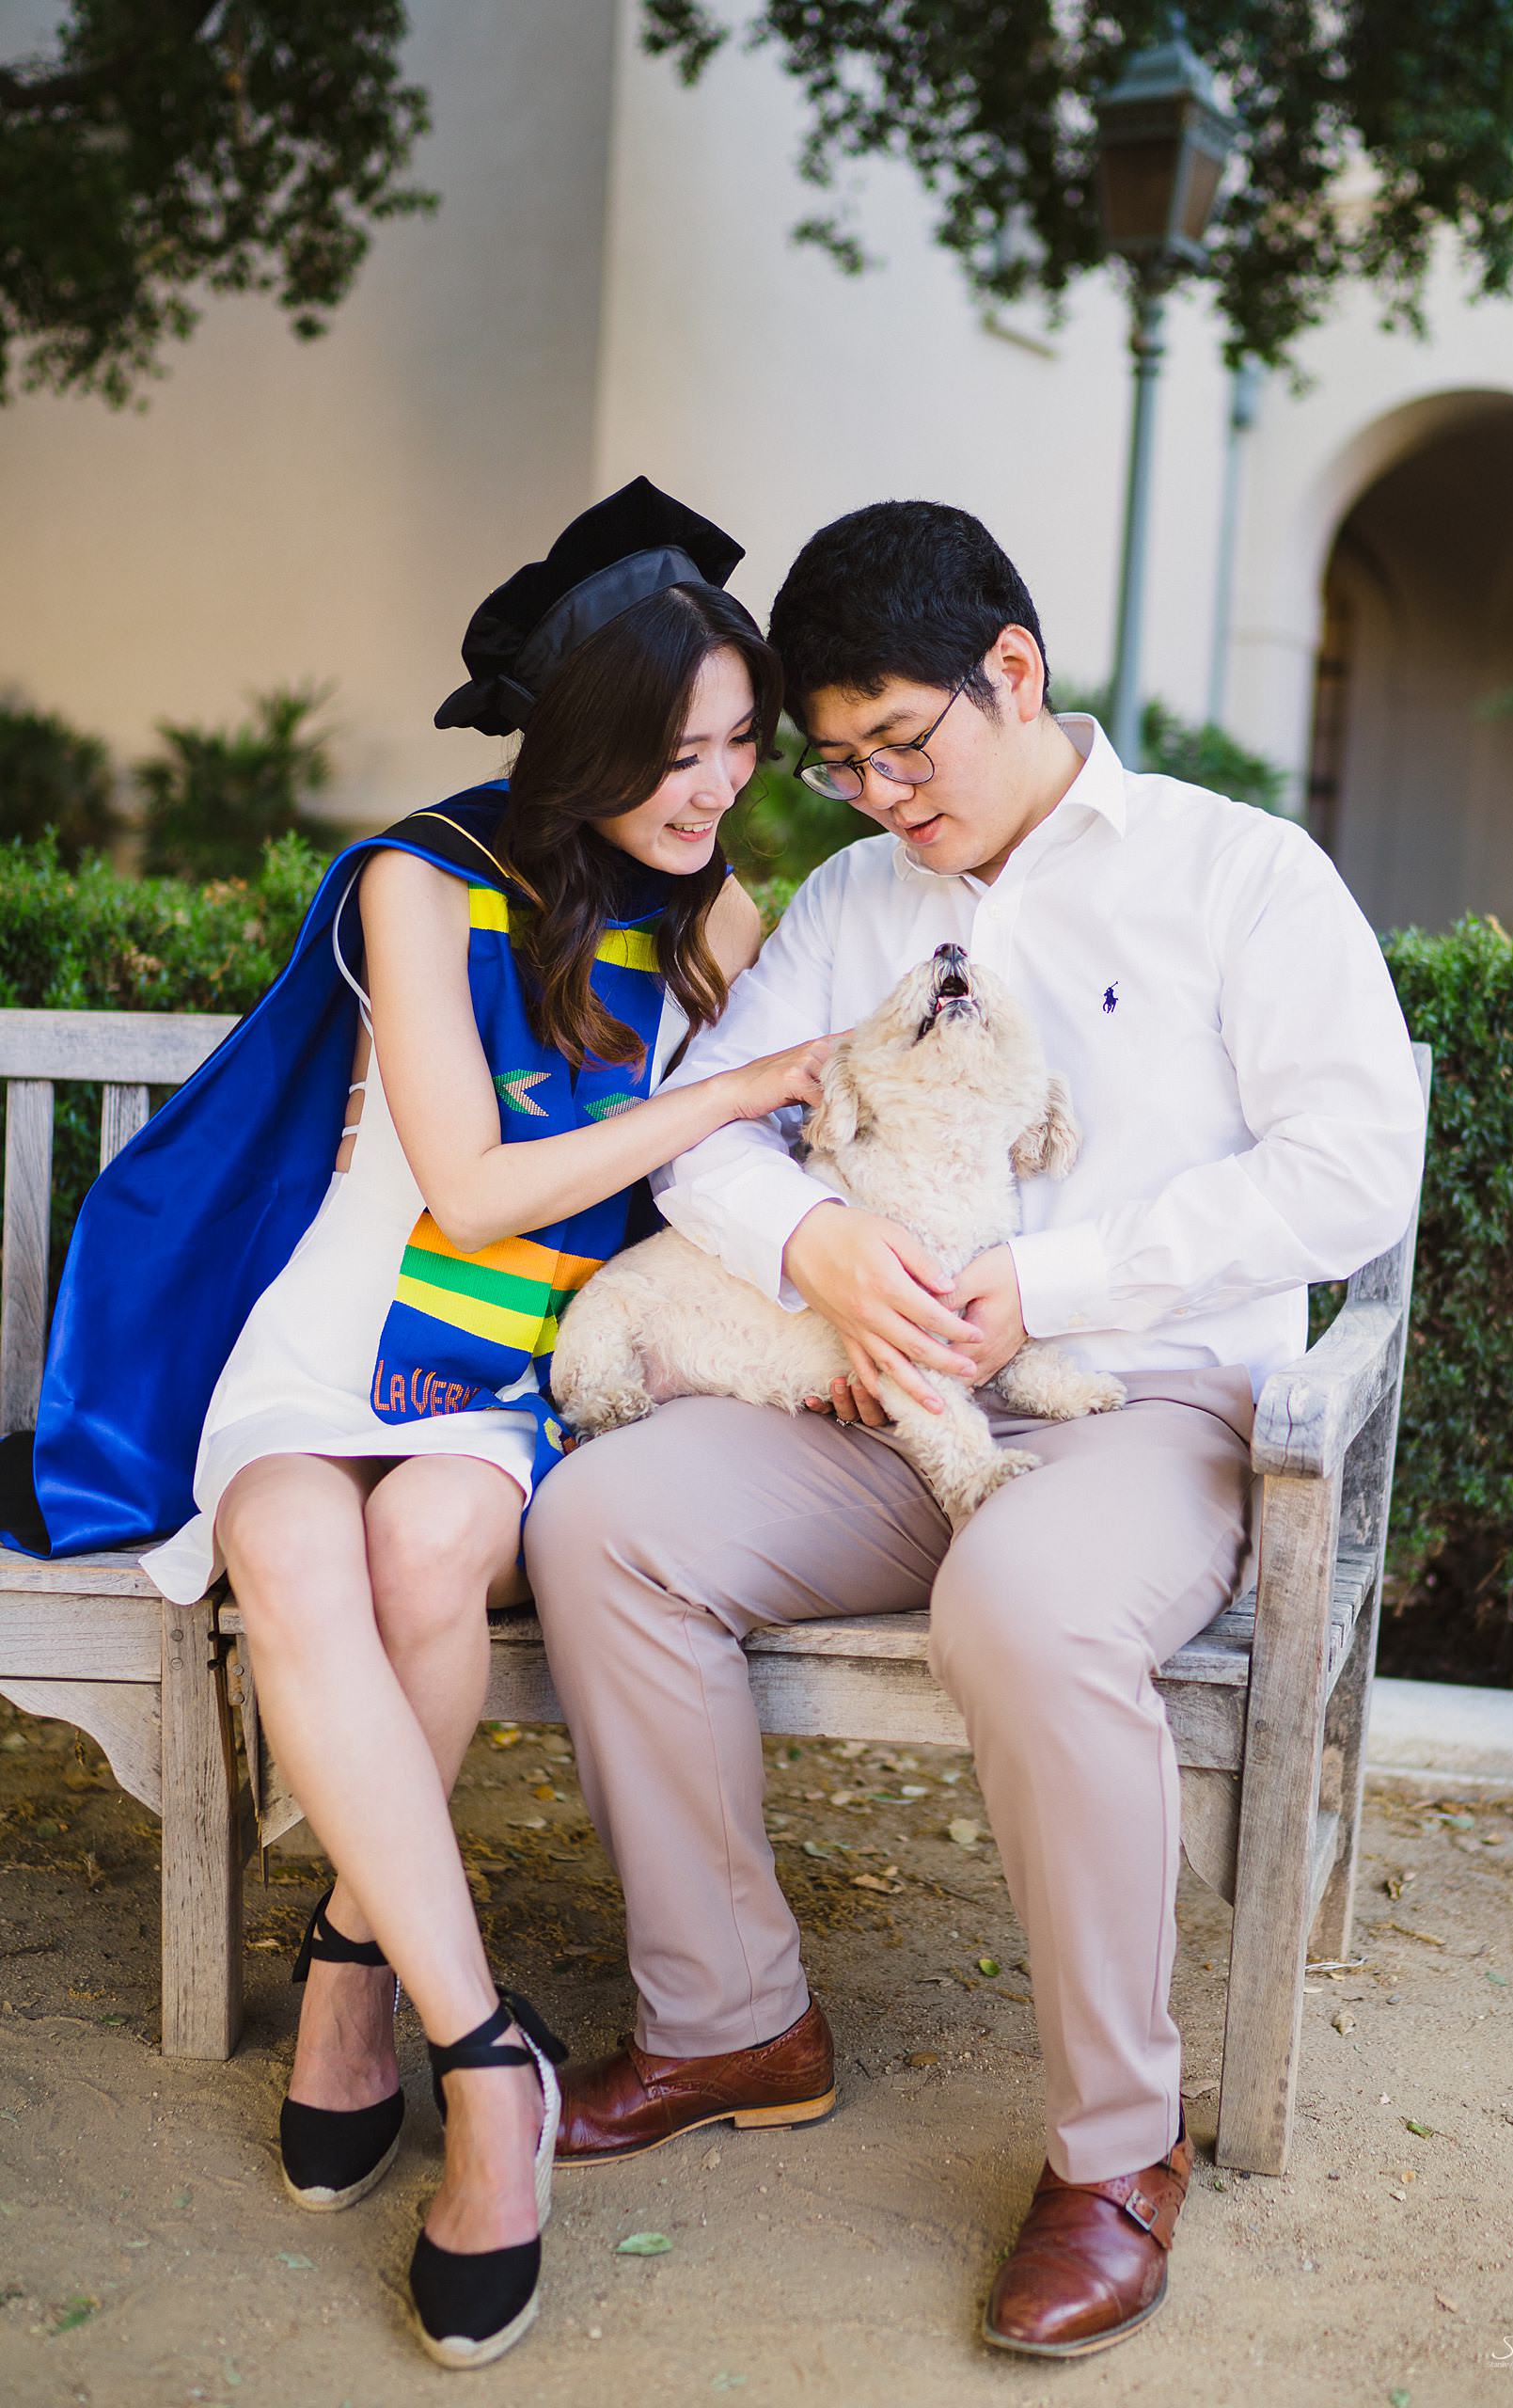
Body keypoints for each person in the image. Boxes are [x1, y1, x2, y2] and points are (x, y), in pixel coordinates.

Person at [525, 499, 1428, 2358]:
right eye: (835, 762)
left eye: (897, 747)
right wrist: (820, 1240)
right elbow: (705, 1125)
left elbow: (1350, 1166)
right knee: (604, 1521)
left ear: (1006, 671)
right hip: (870, 1400)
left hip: (1136, 1404)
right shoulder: (859, 903)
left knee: (1018, 1600)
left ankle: (1112, 2152)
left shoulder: (1231, 873)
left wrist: (1067, 1278)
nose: (869, 796)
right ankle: (727, 2018)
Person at [0, 478, 830, 2369]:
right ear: (590, 736)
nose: (715, 791)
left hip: (503, 1375)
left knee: (427, 1543)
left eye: (738, 751)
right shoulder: (417, 874)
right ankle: (485, 2065)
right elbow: (461, 1185)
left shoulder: (706, 909)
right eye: (679, 751)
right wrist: (737, 1085)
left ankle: (357, 1963)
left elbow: (784, 1120)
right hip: (327, 1330)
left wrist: (789, 1109)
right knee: (296, 1540)